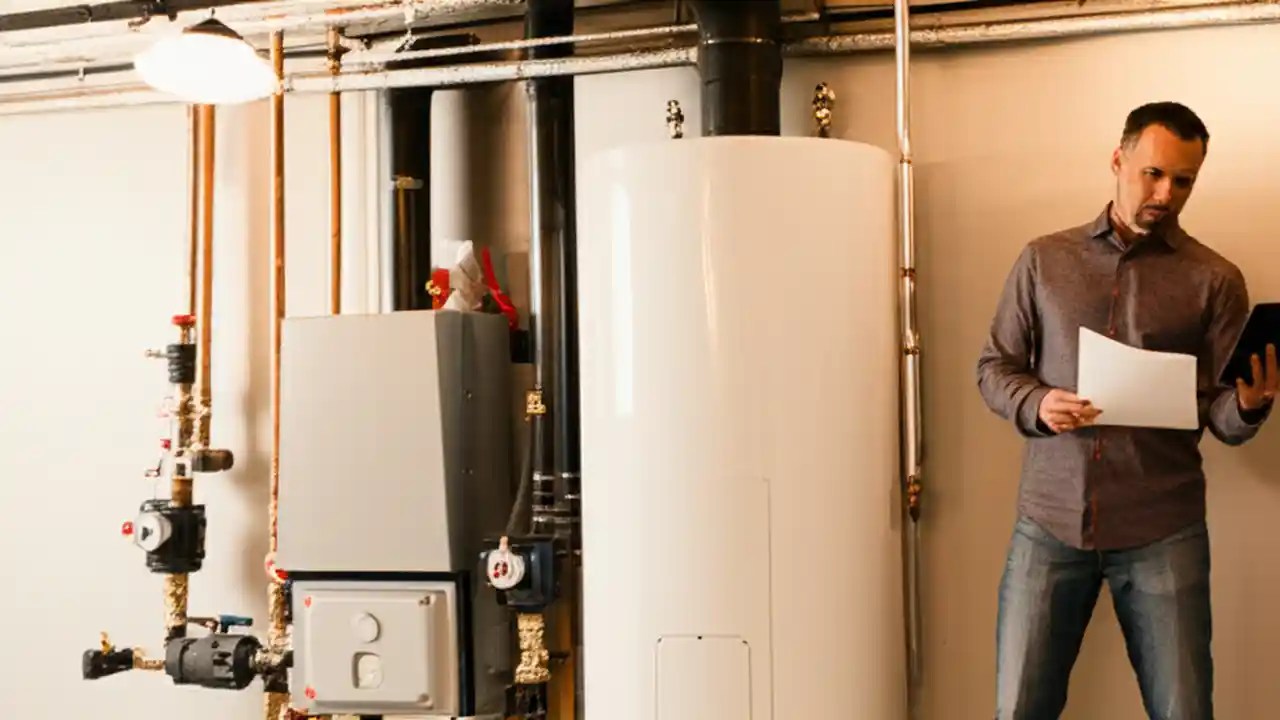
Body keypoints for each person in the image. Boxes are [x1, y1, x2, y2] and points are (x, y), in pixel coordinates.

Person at [977, 101, 1277, 720]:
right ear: (1119, 160)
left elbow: (1220, 418)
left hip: (1162, 528)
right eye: (1154, 173)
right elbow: (993, 368)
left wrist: (1248, 404)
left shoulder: (1215, 279)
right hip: (1050, 524)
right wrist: (1038, 403)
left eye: (1184, 180)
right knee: (1019, 711)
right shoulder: (1043, 260)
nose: (1166, 193)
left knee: (1184, 711)